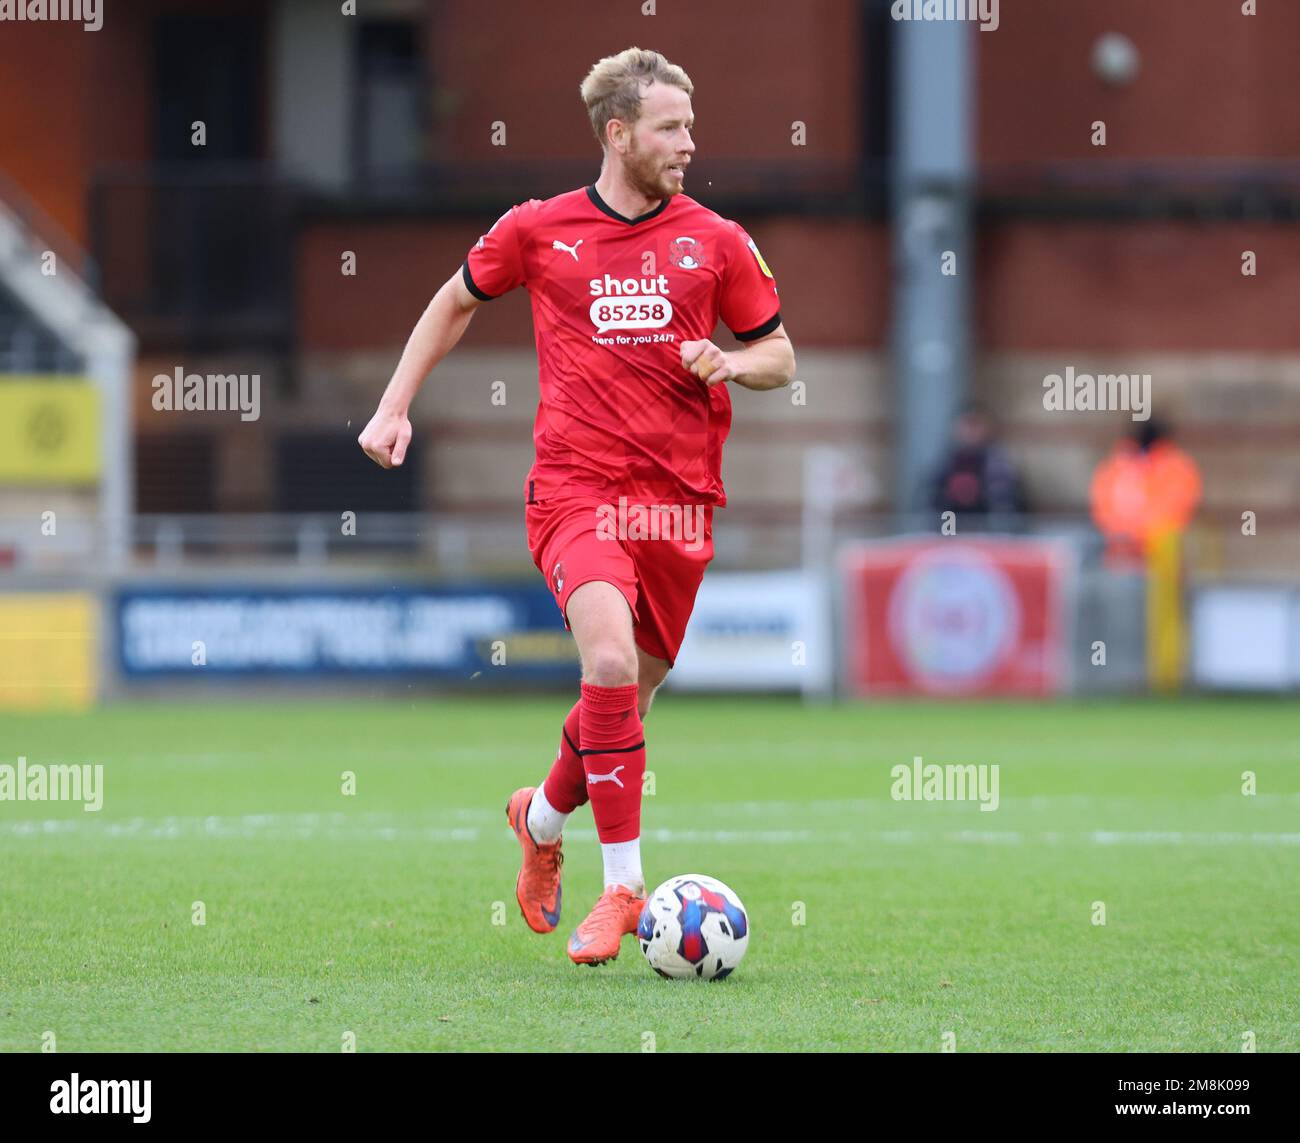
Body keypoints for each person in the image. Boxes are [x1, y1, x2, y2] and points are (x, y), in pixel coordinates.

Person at [357, 47, 795, 966]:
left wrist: (731, 362)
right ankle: (624, 887)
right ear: (618, 133)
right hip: (576, 489)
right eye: (671, 127)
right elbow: (454, 301)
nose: (689, 143)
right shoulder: (537, 229)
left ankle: (541, 816)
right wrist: (394, 405)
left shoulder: (716, 239)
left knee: (623, 698)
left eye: (690, 125)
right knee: (603, 657)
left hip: (677, 508)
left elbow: (779, 356)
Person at [1089, 419, 1201, 567]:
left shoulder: (1176, 467)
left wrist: (1141, 536)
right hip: (1120, 553)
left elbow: (1177, 508)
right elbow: (1103, 505)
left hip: (1161, 556)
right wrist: (1123, 536)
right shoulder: (1117, 465)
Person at [929, 403, 1026, 525]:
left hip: (990, 538)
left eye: (976, 425)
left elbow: (1011, 510)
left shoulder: (1002, 468)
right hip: (950, 538)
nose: (971, 431)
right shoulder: (943, 467)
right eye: (967, 425)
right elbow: (930, 508)